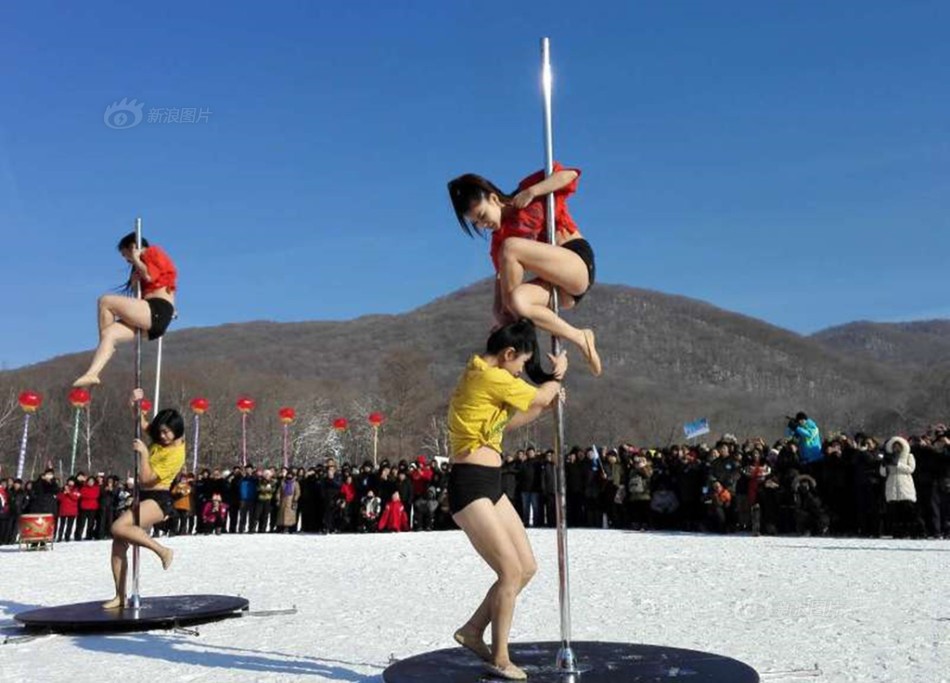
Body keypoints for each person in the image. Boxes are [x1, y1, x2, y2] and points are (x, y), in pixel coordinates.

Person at [446, 318, 567, 681]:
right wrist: (556, 376)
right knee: (509, 571)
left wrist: (545, 403)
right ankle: (500, 657)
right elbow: (541, 393)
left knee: (525, 567)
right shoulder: (488, 376)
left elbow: (507, 424)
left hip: (491, 481)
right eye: (519, 365)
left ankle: (472, 630)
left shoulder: (488, 380)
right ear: (508, 354)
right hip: (468, 484)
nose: (518, 374)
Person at [448, 165, 601, 376]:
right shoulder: (498, 241)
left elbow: (570, 175)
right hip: (559, 290)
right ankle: (579, 337)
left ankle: (519, 329)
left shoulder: (526, 192)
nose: (484, 225)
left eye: (483, 216)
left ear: (494, 199)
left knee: (510, 247)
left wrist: (533, 191)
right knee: (517, 300)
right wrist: (503, 318)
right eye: (477, 223)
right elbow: (502, 282)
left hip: (577, 264)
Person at [102, 389, 184, 609]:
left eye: (167, 433)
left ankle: (162, 550)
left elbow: (147, 479)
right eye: (161, 432)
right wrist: (134, 403)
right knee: (118, 544)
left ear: (176, 431)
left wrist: (144, 454)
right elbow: (143, 422)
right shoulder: (161, 439)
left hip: (159, 499)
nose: (163, 436)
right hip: (145, 496)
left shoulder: (175, 453)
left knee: (118, 526)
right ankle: (120, 595)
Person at [74, 233, 177, 387]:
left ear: (132, 248)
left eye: (125, 255)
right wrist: (135, 284)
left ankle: (105, 345)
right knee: (109, 334)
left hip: (157, 309)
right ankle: (93, 373)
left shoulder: (152, 252)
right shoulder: (139, 267)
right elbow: (139, 297)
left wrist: (136, 259)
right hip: (148, 313)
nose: (127, 260)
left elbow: (150, 277)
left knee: (105, 301)